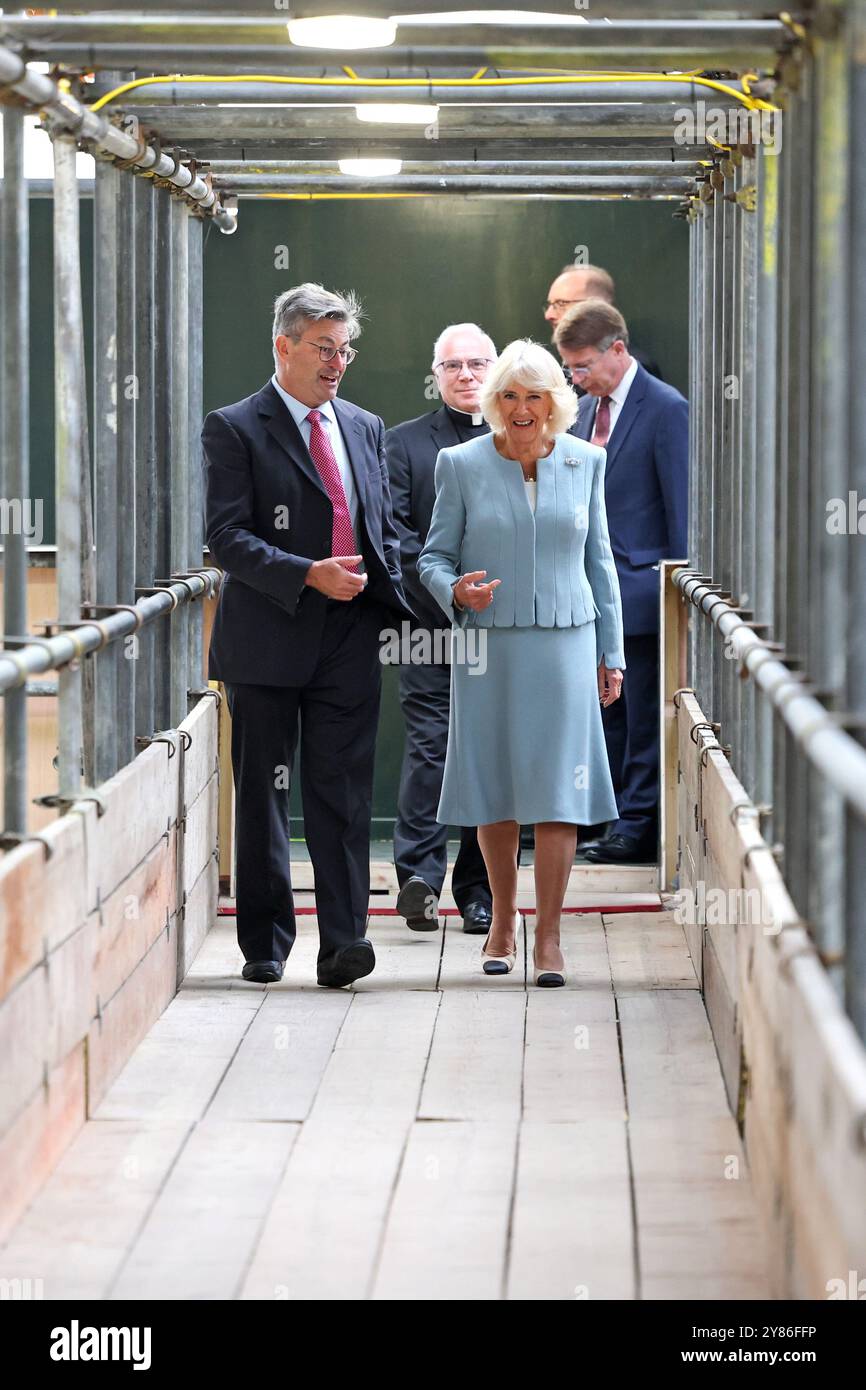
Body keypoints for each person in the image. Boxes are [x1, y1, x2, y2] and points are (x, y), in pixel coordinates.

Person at [202, 283, 412, 987]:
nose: (338, 362)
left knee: (343, 793)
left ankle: (344, 941)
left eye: (345, 348)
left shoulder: (364, 425)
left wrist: (430, 590)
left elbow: (384, 529)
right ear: (283, 345)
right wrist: (305, 573)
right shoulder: (234, 426)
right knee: (265, 792)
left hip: (349, 636)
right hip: (267, 637)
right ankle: (264, 943)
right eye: (325, 348)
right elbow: (226, 537)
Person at [418, 340, 625, 986]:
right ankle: (503, 921)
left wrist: (611, 653)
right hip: (489, 645)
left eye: (534, 395)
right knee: (497, 789)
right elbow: (432, 557)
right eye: (508, 395)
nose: (521, 407)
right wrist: (454, 590)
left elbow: (602, 563)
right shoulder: (460, 464)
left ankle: (552, 937)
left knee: (561, 792)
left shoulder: (586, 461)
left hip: (568, 642)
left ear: (554, 404)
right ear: (493, 402)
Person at [555, 299, 688, 865]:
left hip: (643, 592)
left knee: (640, 716)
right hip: (586, 592)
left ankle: (637, 827)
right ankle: (606, 819)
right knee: (602, 713)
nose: (575, 378)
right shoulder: (584, 412)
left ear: (618, 348)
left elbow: (681, 512)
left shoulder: (666, 409)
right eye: (570, 368)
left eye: (583, 366)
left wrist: (678, 587)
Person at [386, 324, 497, 935]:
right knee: (432, 747)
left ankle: (478, 891)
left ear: (496, 367)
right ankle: (420, 879)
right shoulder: (403, 444)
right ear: (436, 373)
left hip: (505, 631)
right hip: (427, 624)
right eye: (452, 365)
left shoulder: (522, 440)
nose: (466, 375)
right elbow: (395, 535)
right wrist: (443, 596)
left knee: (487, 755)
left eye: (477, 364)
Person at [543, 262, 664, 383]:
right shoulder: (562, 368)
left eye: (561, 304)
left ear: (596, 306)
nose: (549, 315)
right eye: (550, 305)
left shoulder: (631, 368)